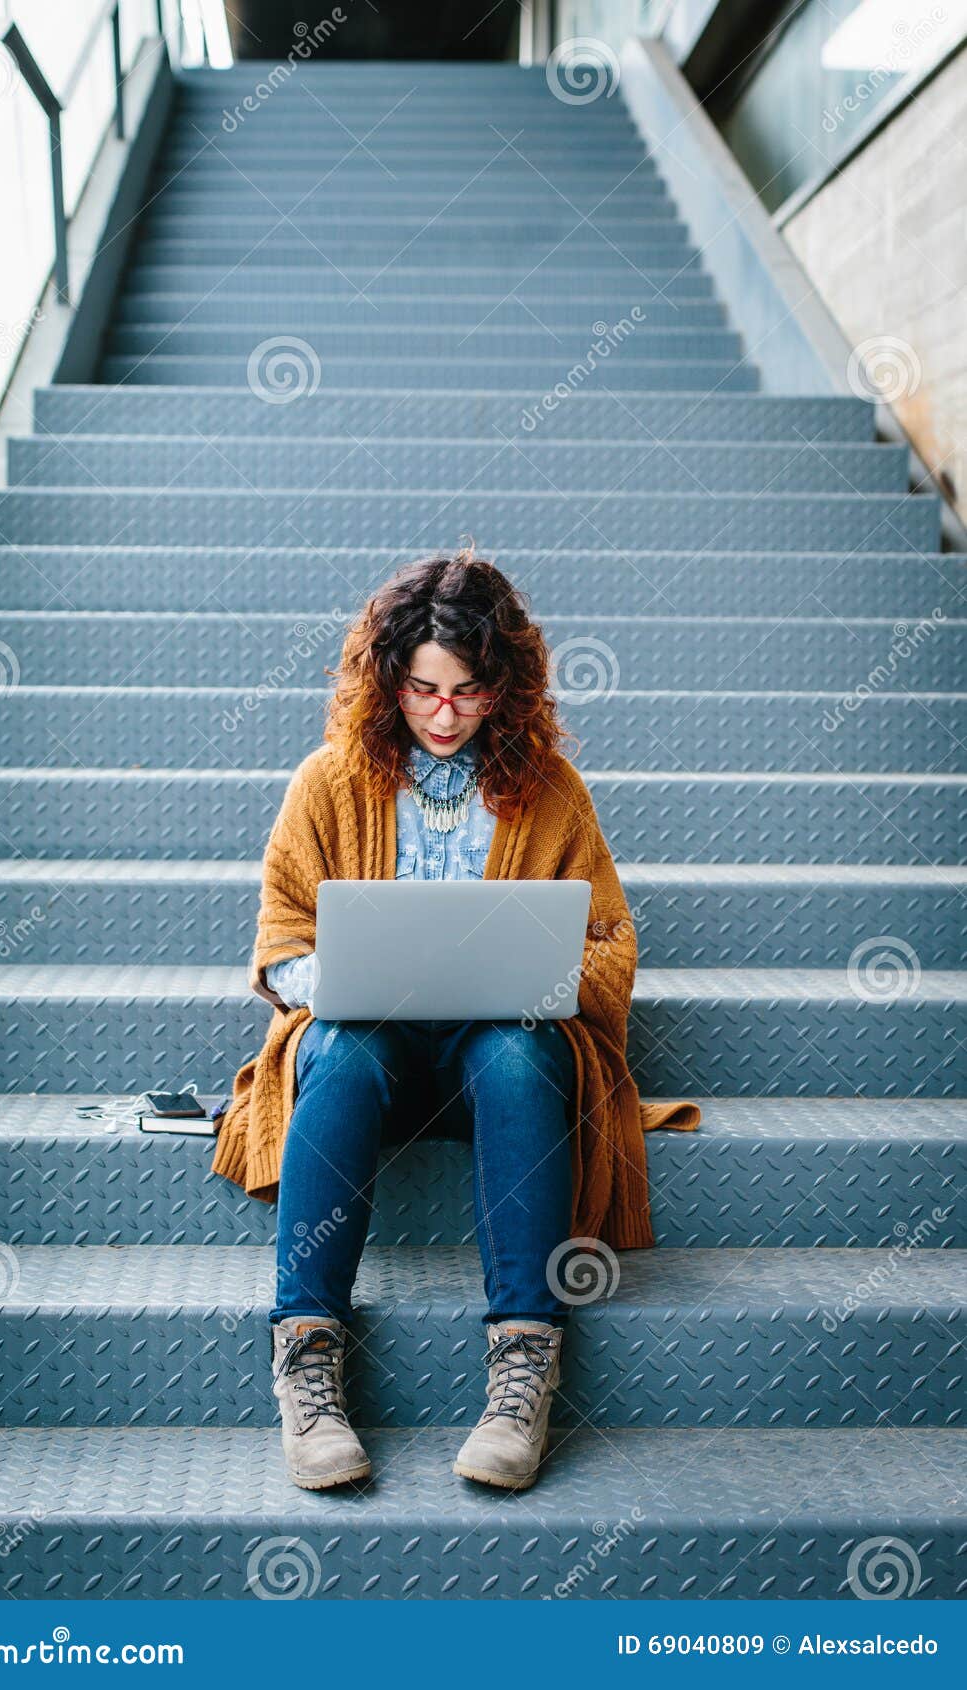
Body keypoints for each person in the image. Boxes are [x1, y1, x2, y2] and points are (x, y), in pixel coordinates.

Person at [210, 550, 699, 1492]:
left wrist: (523, 980)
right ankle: (306, 1356)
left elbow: (610, 945)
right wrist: (357, 977)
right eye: (422, 690)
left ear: (505, 688)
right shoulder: (328, 781)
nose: (441, 715)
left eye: (468, 693)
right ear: (387, 680)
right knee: (345, 1052)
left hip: (498, 1050)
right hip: (370, 1048)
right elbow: (278, 942)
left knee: (517, 1056)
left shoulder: (551, 788)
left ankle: (524, 1363)